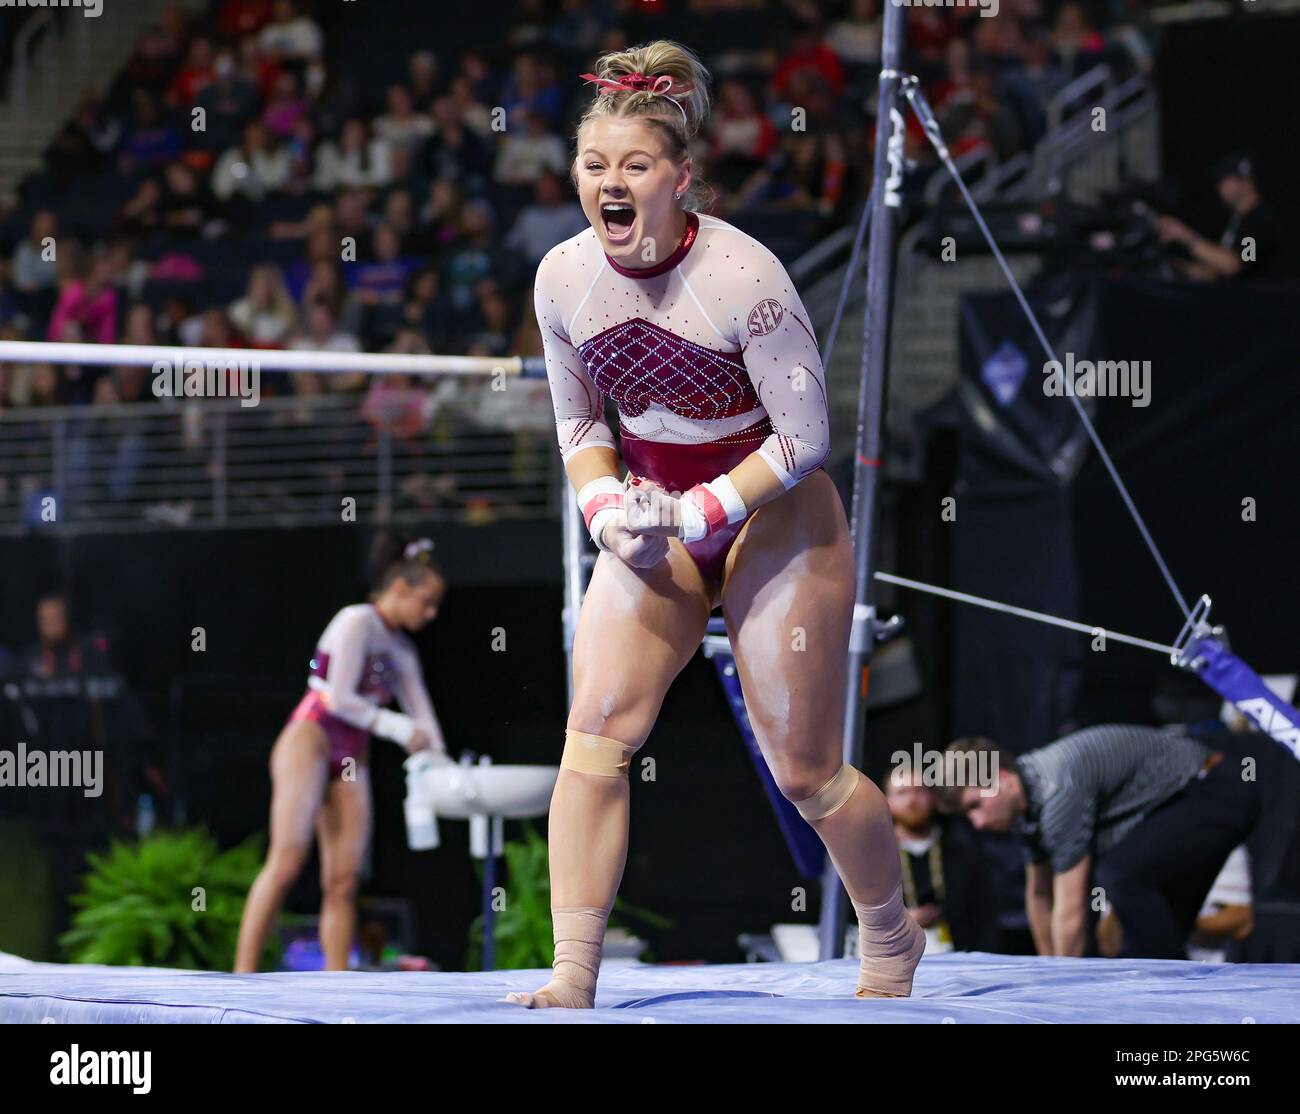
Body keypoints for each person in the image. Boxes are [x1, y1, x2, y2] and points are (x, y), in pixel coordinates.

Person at [507, 40, 925, 1009]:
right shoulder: (562, 278)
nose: (609, 184)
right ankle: (573, 972)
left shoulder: (746, 276)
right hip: (651, 516)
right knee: (594, 738)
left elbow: (806, 437)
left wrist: (695, 508)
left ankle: (892, 934)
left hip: (773, 515)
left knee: (806, 769)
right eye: (592, 166)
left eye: (634, 167)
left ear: (681, 177)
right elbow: (578, 425)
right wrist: (610, 515)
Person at [234, 539, 450, 972]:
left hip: (354, 755)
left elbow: (424, 720)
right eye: (426, 603)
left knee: (345, 879)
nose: (431, 615)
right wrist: (397, 728)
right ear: (401, 589)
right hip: (310, 737)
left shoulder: (403, 652)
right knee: (288, 859)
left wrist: (443, 767)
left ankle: (337, 983)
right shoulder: (356, 622)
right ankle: (242, 972)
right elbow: (339, 700)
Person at [939, 725, 1260, 959]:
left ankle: (1177, 991)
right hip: (1189, 802)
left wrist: (1058, 994)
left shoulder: (1056, 789)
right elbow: (1039, 894)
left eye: (975, 806)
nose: (977, 823)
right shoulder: (1028, 805)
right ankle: (1182, 1000)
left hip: (1218, 791)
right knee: (1148, 939)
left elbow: (1071, 906)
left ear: (1000, 779)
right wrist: (1047, 973)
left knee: (1120, 876)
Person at [1156, 153, 1287, 280]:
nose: (1220, 186)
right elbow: (1218, 272)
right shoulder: (1238, 221)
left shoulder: (1258, 221)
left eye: (1225, 179)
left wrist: (1184, 235)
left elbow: (1234, 266)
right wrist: (1182, 268)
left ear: (1245, 181)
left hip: (1257, 300)